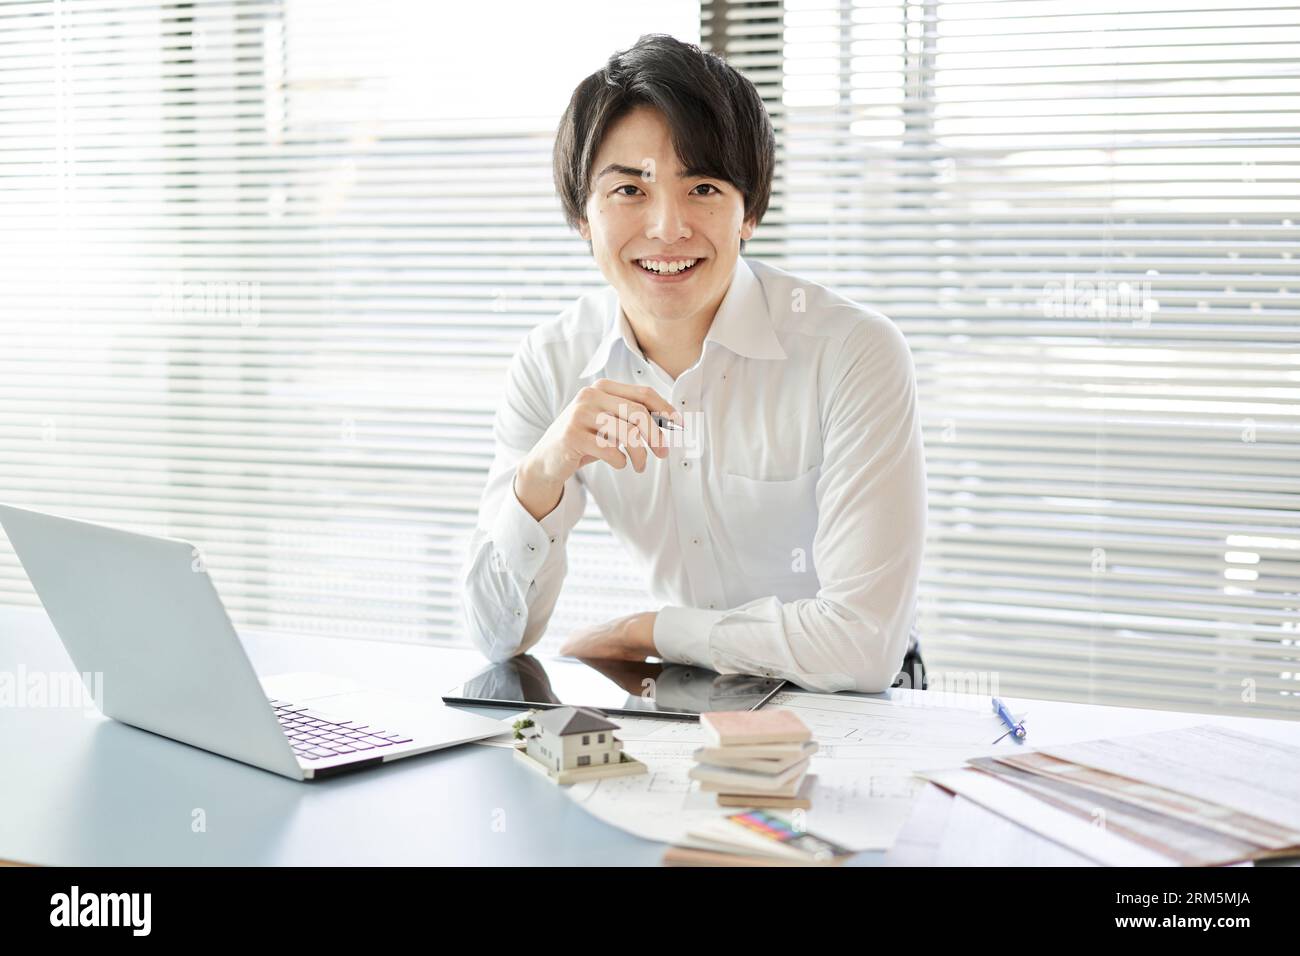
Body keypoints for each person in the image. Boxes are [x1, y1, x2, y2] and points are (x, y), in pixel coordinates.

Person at [459, 34, 927, 693]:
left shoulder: (851, 352)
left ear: (750, 212)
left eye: (703, 187)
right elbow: (496, 636)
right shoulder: (552, 362)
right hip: (685, 702)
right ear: (581, 216)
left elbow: (861, 646)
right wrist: (543, 472)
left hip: (850, 705)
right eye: (628, 190)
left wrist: (649, 632)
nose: (667, 228)